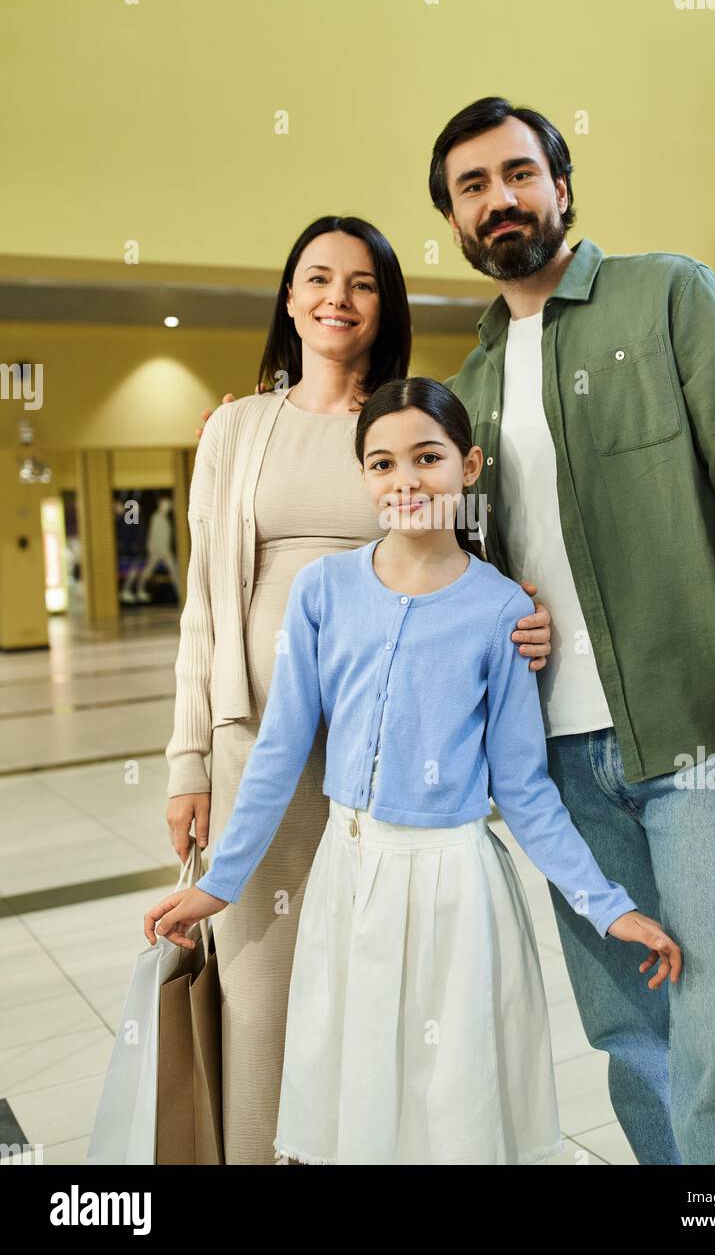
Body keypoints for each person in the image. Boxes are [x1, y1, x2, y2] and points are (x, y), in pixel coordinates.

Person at [146, 378, 682, 1166]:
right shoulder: (323, 591)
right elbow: (280, 753)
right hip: (349, 876)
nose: (405, 482)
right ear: (362, 476)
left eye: (427, 458)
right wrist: (217, 884)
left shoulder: (502, 610)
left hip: (456, 889)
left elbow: (526, 792)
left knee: (452, 1098)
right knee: (358, 1089)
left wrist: (609, 908)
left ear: (468, 467)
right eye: (382, 463)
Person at [428, 95, 715, 1165]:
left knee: (712, 1022)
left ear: (560, 186)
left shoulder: (667, 296)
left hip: (691, 734)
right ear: (455, 222)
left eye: (518, 172)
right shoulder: (463, 393)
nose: (499, 198)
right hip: (548, 761)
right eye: (472, 187)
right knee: (625, 1028)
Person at [163, 215, 553, 1163]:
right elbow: (203, 609)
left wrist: (526, 610)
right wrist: (186, 760)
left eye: (362, 283)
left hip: (394, 744)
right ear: (290, 298)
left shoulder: (415, 419)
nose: (337, 297)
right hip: (256, 736)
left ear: (385, 307)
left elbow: (480, 558)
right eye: (317, 278)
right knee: (260, 983)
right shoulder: (236, 430)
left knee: (382, 987)